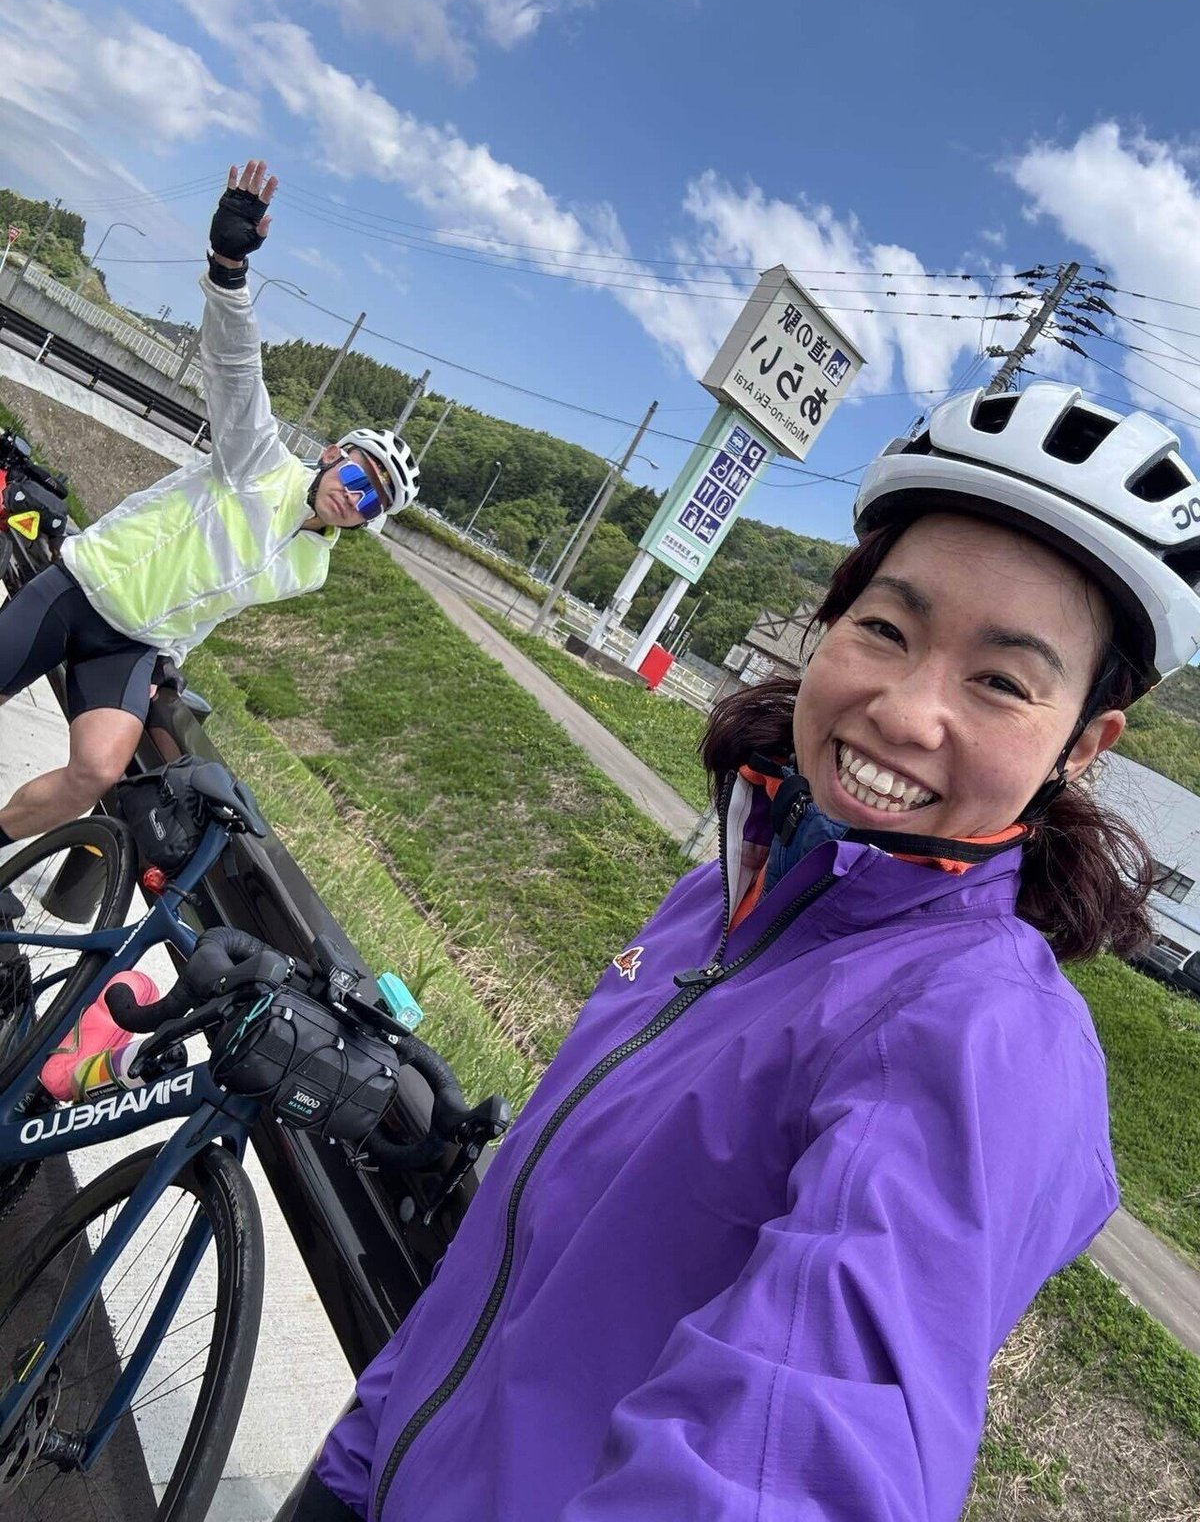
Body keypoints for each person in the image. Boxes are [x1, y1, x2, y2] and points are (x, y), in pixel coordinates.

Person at [290, 381, 1197, 1522]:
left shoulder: (983, 1035)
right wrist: (363, 1449)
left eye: (1002, 680)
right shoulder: (723, 893)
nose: (906, 711)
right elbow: (515, 1259)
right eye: (886, 627)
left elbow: (796, 1455)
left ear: (1083, 746)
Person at [0, 160, 419, 845]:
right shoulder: (258, 461)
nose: (357, 501)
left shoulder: (311, 569)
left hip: (134, 645)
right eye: (361, 480)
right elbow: (235, 370)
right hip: (83, 587)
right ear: (337, 455)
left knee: (96, 773)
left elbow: (218, 594)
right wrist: (228, 266)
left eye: (373, 505)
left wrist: (175, 655)